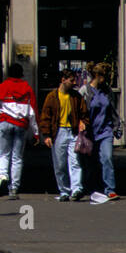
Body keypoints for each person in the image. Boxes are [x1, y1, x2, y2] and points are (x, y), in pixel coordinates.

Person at [0, 61, 38, 200]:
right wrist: (36, 133)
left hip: (4, 123)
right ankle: (14, 188)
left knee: (3, 154)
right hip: (21, 125)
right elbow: (32, 112)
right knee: (17, 158)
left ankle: (2, 175)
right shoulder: (27, 89)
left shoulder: (1, 88)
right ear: (21, 74)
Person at [40, 68, 90, 202]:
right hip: (59, 132)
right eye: (71, 80)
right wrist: (47, 135)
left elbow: (84, 113)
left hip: (72, 132)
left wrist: (83, 122)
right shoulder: (52, 97)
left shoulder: (76, 96)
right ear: (63, 80)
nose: (74, 83)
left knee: (75, 161)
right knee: (60, 163)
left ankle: (76, 189)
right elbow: (45, 116)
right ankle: (64, 190)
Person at [86, 63, 119, 199]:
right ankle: (90, 186)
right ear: (97, 76)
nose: (105, 79)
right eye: (104, 76)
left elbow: (113, 110)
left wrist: (116, 127)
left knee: (107, 157)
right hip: (90, 132)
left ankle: (110, 189)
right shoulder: (86, 91)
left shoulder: (107, 91)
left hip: (106, 131)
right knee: (90, 162)